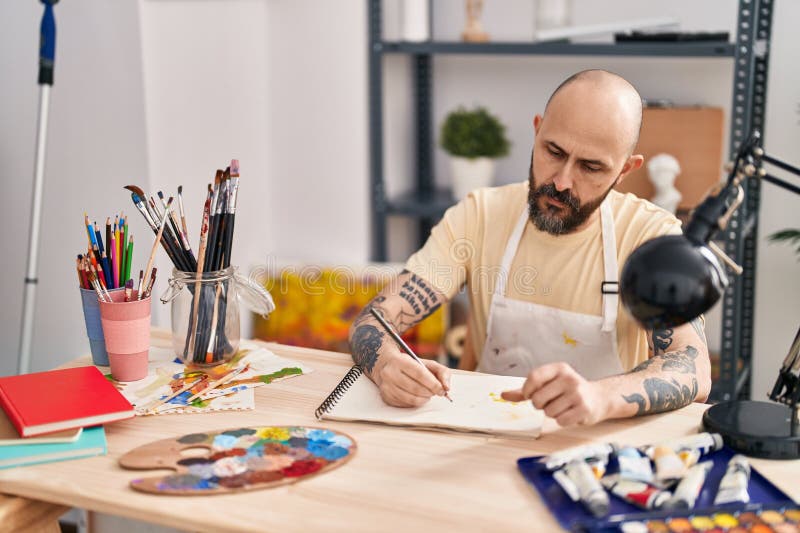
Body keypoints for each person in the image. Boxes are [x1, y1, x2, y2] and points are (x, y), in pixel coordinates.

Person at [349, 69, 710, 427]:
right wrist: (387, 367)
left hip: (597, 444)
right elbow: (373, 320)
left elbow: (692, 366)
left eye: (591, 167)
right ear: (537, 130)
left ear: (624, 171)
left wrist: (600, 396)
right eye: (554, 151)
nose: (562, 181)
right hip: (483, 431)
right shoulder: (479, 215)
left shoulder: (651, 237)